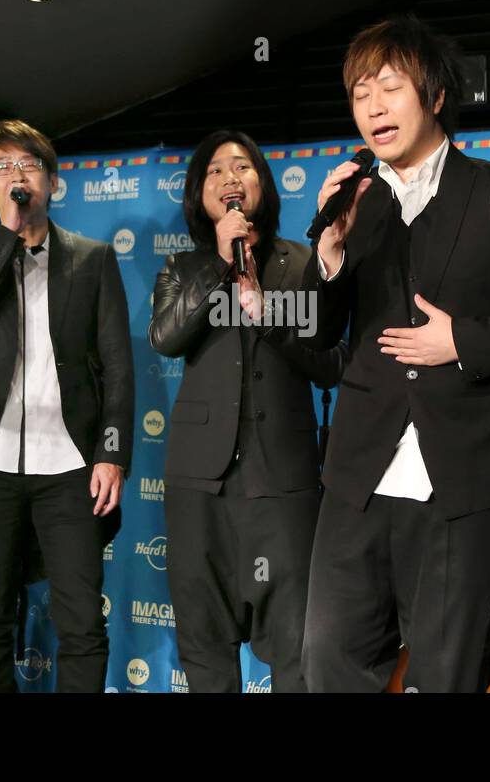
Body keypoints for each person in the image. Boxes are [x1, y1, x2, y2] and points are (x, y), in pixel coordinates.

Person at [301, 16, 490, 691]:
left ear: (434, 94)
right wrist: (329, 254)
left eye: (389, 87)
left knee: (447, 674)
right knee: (328, 660)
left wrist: (464, 341)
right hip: (360, 478)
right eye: (360, 93)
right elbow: (314, 336)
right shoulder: (356, 205)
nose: (373, 107)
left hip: (468, 477)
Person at [0, 120, 133, 692]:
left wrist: (111, 453)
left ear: (52, 180)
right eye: (1, 168)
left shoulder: (92, 260)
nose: (15, 176)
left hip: (71, 465)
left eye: (28, 165)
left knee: (81, 621)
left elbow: (117, 364)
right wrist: (7, 235)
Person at [150, 129, 345, 692]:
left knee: (296, 647)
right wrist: (219, 263)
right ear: (199, 193)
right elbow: (166, 337)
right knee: (204, 646)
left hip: (282, 483)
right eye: (214, 171)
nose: (229, 178)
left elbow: (332, 362)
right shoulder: (183, 268)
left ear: (263, 183)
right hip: (199, 487)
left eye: (241, 167)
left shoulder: (302, 265)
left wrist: (269, 317)